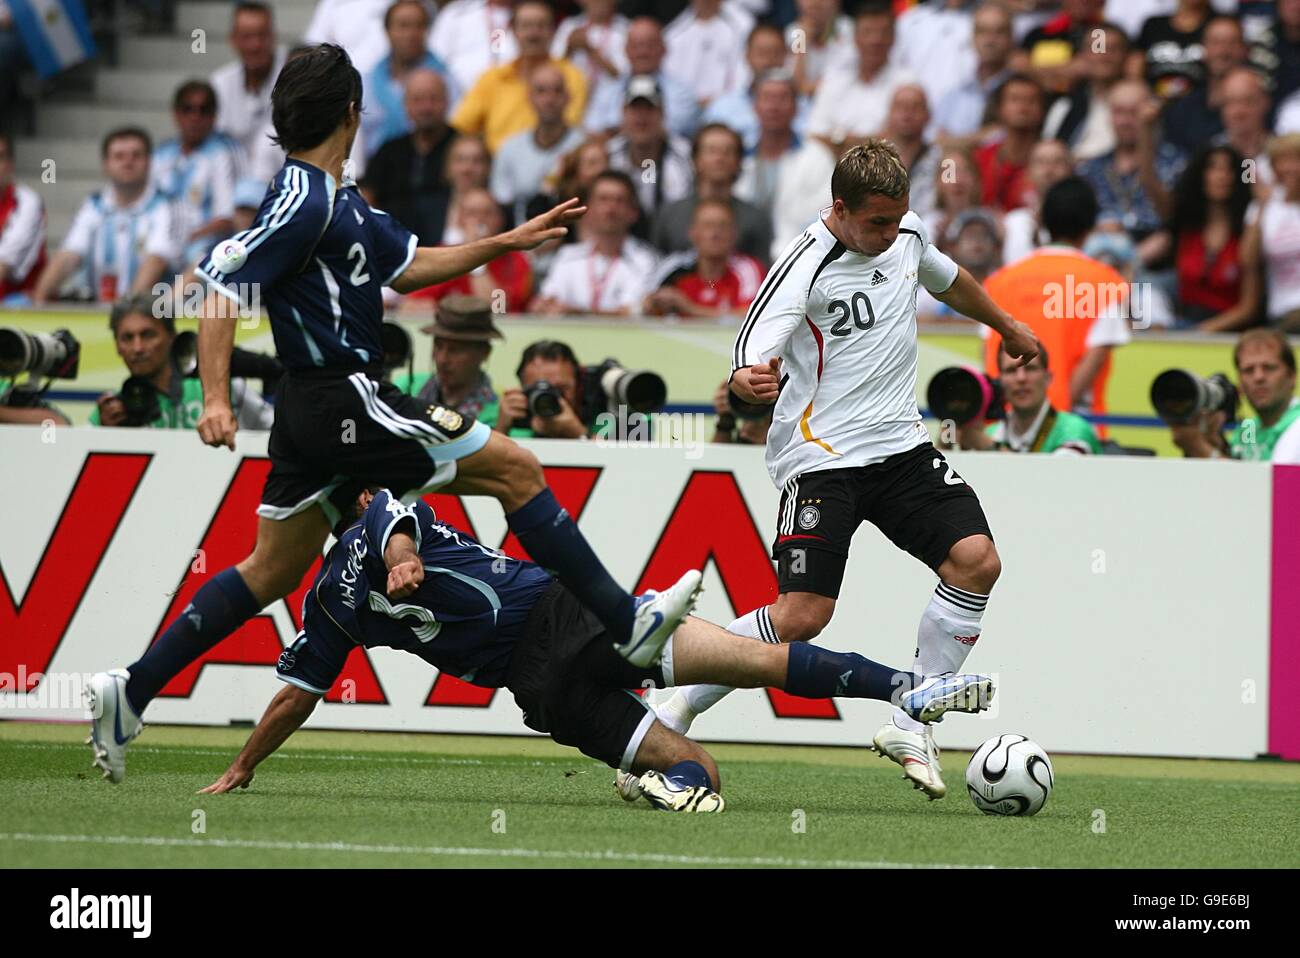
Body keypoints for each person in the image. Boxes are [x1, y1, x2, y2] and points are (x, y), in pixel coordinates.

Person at [84, 44, 703, 786]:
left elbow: (407, 265)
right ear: (353, 111)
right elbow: (219, 279)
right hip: (343, 395)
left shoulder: (340, 200)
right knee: (518, 467)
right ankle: (628, 622)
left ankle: (134, 689)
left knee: (270, 571)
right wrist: (214, 397)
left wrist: (505, 241)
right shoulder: (305, 198)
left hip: (311, 415)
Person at [195, 488, 995, 810]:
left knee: (703, 765)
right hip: (561, 619)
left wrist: (244, 765)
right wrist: (403, 559)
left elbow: (299, 690)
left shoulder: (326, 598)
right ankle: (903, 688)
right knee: (753, 660)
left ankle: (676, 782)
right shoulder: (377, 516)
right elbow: (394, 531)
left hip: (534, 684)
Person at [654, 139, 1042, 800]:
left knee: (977, 561)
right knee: (803, 616)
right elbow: (750, 358)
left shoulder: (908, 233)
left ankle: (909, 718)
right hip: (822, 459)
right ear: (840, 209)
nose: (892, 235)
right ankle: (677, 706)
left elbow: (944, 276)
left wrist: (1006, 324)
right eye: (877, 224)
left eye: (899, 220)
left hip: (900, 448)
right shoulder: (805, 263)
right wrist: (751, 381)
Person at [983, 176, 1131, 420]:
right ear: (1091, 225)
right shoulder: (1104, 282)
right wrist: (1047, 423)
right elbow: (1093, 362)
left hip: (1004, 427)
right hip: (1072, 432)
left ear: (1043, 221)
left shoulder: (1000, 281)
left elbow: (988, 353)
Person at [33, 128, 181, 304]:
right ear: (106, 165)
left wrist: (126, 312)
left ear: (149, 162)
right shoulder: (93, 204)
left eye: (136, 156)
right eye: (119, 156)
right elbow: (68, 256)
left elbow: (156, 261)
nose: (128, 162)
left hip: (149, 314)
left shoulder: (166, 205)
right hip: (101, 310)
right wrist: (38, 300)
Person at [90, 293, 274, 430]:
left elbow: (275, 429)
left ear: (172, 337)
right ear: (117, 346)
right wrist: (104, 433)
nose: (137, 348)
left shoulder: (222, 387)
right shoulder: (111, 410)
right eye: (127, 338)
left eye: (148, 335)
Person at [451, 1, 588, 154]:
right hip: (497, 169)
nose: (533, 34)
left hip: (553, 166)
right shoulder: (492, 78)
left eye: (541, 26)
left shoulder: (570, 75)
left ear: (553, 31)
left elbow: (570, 124)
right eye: (526, 26)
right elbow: (461, 126)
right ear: (513, 30)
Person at [531, 170, 659, 315]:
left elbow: (634, 314)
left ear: (633, 212)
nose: (610, 209)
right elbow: (547, 303)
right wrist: (543, 307)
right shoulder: (567, 255)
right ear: (588, 209)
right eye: (603, 199)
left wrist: (576, 313)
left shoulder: (645, 260)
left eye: (619, 200)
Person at [1170, 329, 1300, 463]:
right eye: (1248, 370)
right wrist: (1215, 443)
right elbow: (1242, 467)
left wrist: (1199, 448)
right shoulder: (1248, 428)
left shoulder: (1297, 424)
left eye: (1269, 368)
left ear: (1291, 376)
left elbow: (1279, 482)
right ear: (1240, 382)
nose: (1258, 377)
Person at [649, 123, 773, 263]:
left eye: (728, 151)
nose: (719, 158)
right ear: (695, 160)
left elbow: (764, 275)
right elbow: (655, 268)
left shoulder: (755, 219)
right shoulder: (670, 215)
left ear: (739, 162)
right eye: (711, 151)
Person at [152, 81, 244, 268]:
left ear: (214, 116)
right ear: (176, 114)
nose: (195, 117)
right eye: (188, 109)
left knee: (198, 254)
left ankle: (170, 298)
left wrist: (186, 239)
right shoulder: (163, 152)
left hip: (202, 240)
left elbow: (227, 219)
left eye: (204, 110)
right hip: (162, 237)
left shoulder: (223, 152)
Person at [360, 69, 456, 245]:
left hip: (449, 248)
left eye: (434, 99)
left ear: (447, 101)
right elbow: (367, 197)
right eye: (418, 100)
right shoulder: (389, 150)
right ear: (405, 105)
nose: (426, 108)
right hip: (393, 249)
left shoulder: (462, 148)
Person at [402, 186, 533, 311]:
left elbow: (498, 308)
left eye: (487, 213)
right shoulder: (444, 254)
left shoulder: (515, 260)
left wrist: (477, 260)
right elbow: (410, 305)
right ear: (460, 219)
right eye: (472, 213)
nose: (480, 219)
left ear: (500, 219)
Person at [955, 344, 1102, 453]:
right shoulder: (991, 433)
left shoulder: (1075, 429)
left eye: (1030, 368)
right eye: (1011, 370)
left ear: (1048, 378)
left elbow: (1055, 484)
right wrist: (947, 443)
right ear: (1000, 382)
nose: (1021, 378)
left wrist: (988, 447)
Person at [805, 3, 916, 146]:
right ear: (855, 38)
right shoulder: (834, 78)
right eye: (867, 32)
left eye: (883, 33)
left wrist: (841, 141)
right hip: (832, 164)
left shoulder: (907, 83)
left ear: (894, 38)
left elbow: (902, 139)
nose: (875, 40)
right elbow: (815, 135)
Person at [490, 63, 586, 225]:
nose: (550, 99)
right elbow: (501, 205)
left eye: (557, 90)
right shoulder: (510, 148)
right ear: (529, 97)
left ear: (568, 97)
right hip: (520, 241)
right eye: (541, 91)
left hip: (570, 241)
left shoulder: (584, 147)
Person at [360, 0, 455, 160]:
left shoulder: (446, 80)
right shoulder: (366, 84)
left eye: (419, 26)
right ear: (387, 31)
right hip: (378, 170)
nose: (411, 34)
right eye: (403, 26)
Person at [390, 294, 503, 428]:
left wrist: (502, 427)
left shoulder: (498, 409)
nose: (442, 359)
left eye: (456, 350)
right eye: (438, 346)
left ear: (484, 352)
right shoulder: (406, 386)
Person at [644, 198, 765, 316]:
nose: (715, 234)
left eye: (722, 226)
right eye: (708, 226)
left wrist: (690, 308)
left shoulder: (748, 270)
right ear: (693, 233)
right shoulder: (674, 269)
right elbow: (644, 305)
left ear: (734, 234)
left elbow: (752, 316)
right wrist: (655, 304)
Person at [584, 16, 699, 138]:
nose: (643, 52)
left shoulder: (682, 91)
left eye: (650, 45)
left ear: (664, 49)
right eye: (636, 46)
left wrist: (613, 131)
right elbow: (591, 130)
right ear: (626, 50)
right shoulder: (607, 89)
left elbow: (668, 130)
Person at [604, 75, 694, 221]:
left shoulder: (686, 156)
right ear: (623, 113)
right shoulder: (607, 154)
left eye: (649, 109)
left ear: (662, 114)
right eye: (635, 109)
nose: (641, 117)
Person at [210, 2, 287, 163]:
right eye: (247, 36)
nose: (255, 45)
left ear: (273, 37)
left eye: (261, 35)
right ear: (233, 39)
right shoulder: (220, 83)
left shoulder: (294, 76)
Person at [934, 2, 1013, 144]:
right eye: (983, 31)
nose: (990, 40)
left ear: (1011, 38)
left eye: (999, 31)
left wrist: (956, 141)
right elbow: (938, 142)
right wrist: (981, 136)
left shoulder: (1021, 91)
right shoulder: (953, 96)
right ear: (972, 38)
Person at [972, 72, 1046, 212]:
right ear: (1000, 109)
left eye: (1031, 101)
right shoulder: (980, 159)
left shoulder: (1051, 160)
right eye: (1015, 100)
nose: (1023, 108)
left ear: (1042, 111)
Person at [497, 339, 590, 438]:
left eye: (560, 389)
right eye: (538, 389)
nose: (548, 397)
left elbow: (605, 448)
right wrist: (501, 430)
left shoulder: (598, 411)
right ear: (522, 390)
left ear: (578, 386)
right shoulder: (512, 418)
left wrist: (579, 433)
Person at [0, 132, 46, 301]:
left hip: (20, 306)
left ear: (10, 164)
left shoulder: (28, 202)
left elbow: (4, 264)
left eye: (0, 157)